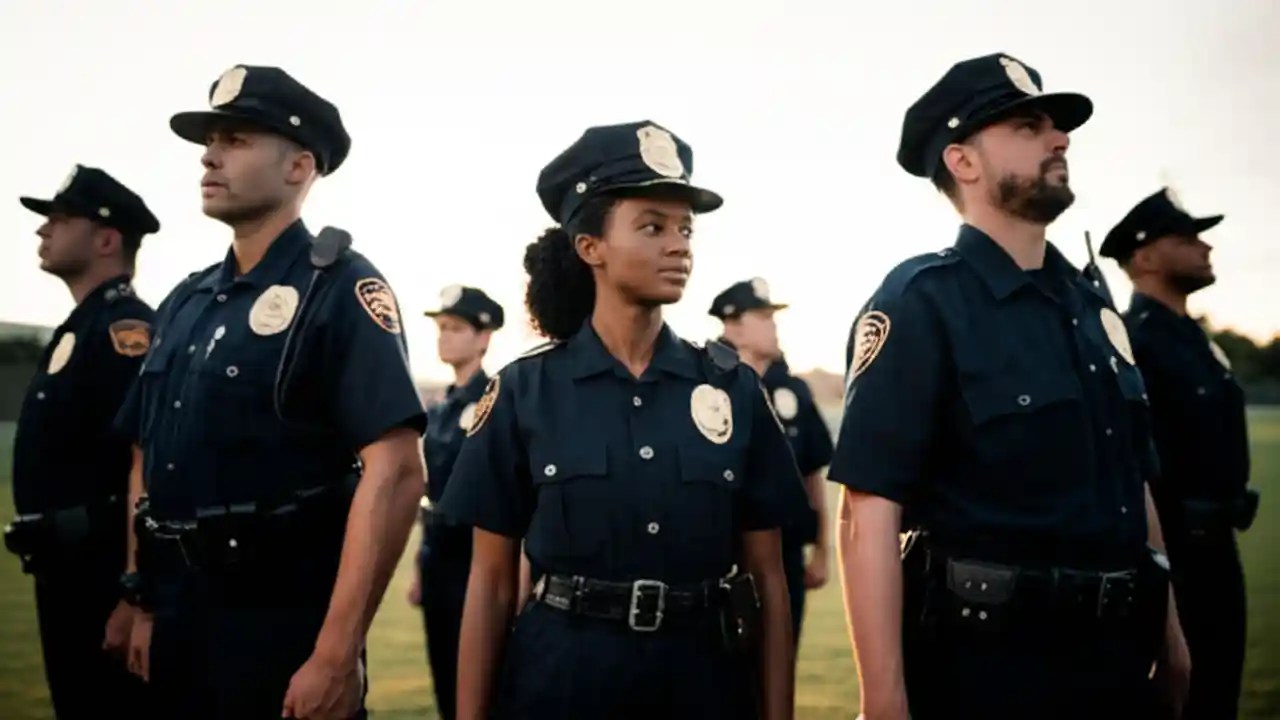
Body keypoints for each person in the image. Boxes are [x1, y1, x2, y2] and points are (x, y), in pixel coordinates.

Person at [829, 53, 1191, 720]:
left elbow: (1132, 479)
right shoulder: (922, 300)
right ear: (963, 161)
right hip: (990, 668)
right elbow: (868, 510)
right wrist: (883, 697)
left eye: (1056, 128)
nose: (1060, 139)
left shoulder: (1092, 308)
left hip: (1117, 657)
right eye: (1028, 127)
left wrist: (1170, 637)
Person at [437, 120, 810, 720]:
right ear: (591, 248)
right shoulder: (525, 392)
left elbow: (768, 580)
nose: (680, 245)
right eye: (653, 226)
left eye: (685, 228)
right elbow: (491, 583)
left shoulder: (732, 387)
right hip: (561, 681)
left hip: (703, 682)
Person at [111, 64, 428, 719]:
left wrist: (337, 653)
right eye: (210, 141)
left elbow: (395, 469)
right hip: (174, 611)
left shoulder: (337, 288)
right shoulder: (186, 300)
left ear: (298, 167)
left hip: (279, 622)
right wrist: (140, 595)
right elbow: (146, 457)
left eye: (236, 140)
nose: (209, 155)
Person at [6, 163, 160, 719]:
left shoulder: (125, 331)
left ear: (105, 238)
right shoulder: (82, 326)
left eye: (59, 219)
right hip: (66, 571)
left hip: (100, 579)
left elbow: (143, 467)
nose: (42, 231)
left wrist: (131, 592)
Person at [1101, 187, 1256, 719]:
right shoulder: (1134, 341)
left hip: (1216, 549)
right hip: (1173, 559)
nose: (1204, 248)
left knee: (1218, 695)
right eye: (1186, 239)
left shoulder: (1193, 338)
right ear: (1143, 258)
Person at [709, 278, 833, 646]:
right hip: (723, 561)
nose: (773, 325)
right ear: (733, 327)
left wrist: (823, 551)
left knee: (781, 658)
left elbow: (813, 473)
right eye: (762, 317)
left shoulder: (792, 390)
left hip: (787, 556)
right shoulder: (706, 389)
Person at [408, 284, 505, 719]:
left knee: (481, 685)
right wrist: (418, 568)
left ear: (484, 337)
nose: (444, 336)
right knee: (444, 679)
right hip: (439, 558)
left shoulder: (497, 400)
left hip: (477, 560)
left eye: (456, 328)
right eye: (441, 328)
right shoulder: (443, 407)